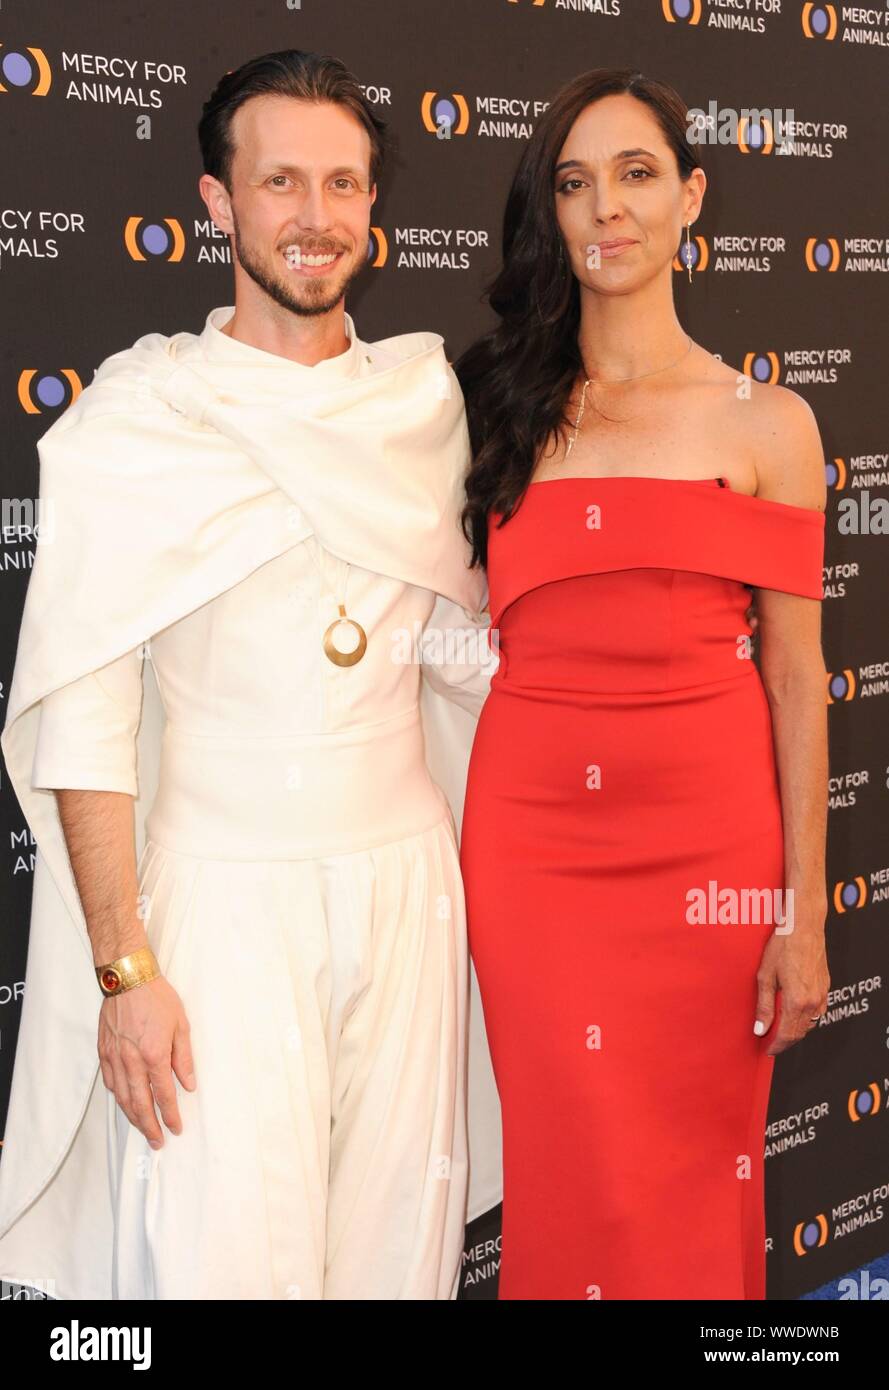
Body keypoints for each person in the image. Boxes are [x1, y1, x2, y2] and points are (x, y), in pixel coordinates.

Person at [0, 49, 501, 1301]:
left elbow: (460, 665)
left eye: (344, 184)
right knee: (219, 1267)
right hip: (211, 910)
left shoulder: (425, 404)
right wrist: (127, 970)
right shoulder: (139, 421)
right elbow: (88, 718)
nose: (316, 217)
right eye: (281, 181)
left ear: (374, 209)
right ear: (219, 203)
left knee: (400, 1258)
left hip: (406, 888)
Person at [455, 68, 830, 1300]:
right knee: (571, 1173)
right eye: (572, 182)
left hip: (712, 868)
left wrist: (802, 913)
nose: (604, 210)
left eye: (636, 174)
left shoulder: (766, 422)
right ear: (548, 212)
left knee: (693, 1176)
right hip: (535, 860)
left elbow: (793, 679)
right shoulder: (495, 406)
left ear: (691, 199)